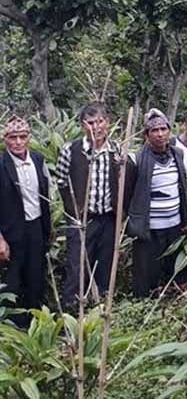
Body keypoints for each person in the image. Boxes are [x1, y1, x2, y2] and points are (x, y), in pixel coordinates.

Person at [56, 103, 124, 309]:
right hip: (82, 219)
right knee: (78, 267)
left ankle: (101, 306)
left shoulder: (117, 149)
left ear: (108, 122)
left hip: (108, 217)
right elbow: (61, 182)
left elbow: (123, 179)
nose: (96, 127)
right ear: (82, 125)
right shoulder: (72, 149)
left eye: (100, 121)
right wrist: (74, 212)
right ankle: (71, 310)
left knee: (104, 263)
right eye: (91, 122)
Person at [125, 109, 187, 298]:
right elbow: (128, 193)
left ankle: (171, 299)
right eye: (154, 130)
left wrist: (185, 218)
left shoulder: (177, 154)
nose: (160, 134)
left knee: (171, 266)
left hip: (174, 224)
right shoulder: (137, 159)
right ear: (146, 135)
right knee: (147, 270)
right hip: (150, 227)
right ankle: (144, 302)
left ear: (170, 131)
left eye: (163, 129)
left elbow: (182, 187)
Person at [0, 117, 51, 327]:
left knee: (35, 276)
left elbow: (45, 194)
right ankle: (12, 325)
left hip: (35, 227)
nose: (18, 142)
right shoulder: (1, 165)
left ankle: (35, 323)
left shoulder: (38, 160)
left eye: (23, 137)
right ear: (5, 140)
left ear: (29, 138)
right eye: (13, 138)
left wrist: (48, 228)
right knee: (12, 281)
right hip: (11, 231)